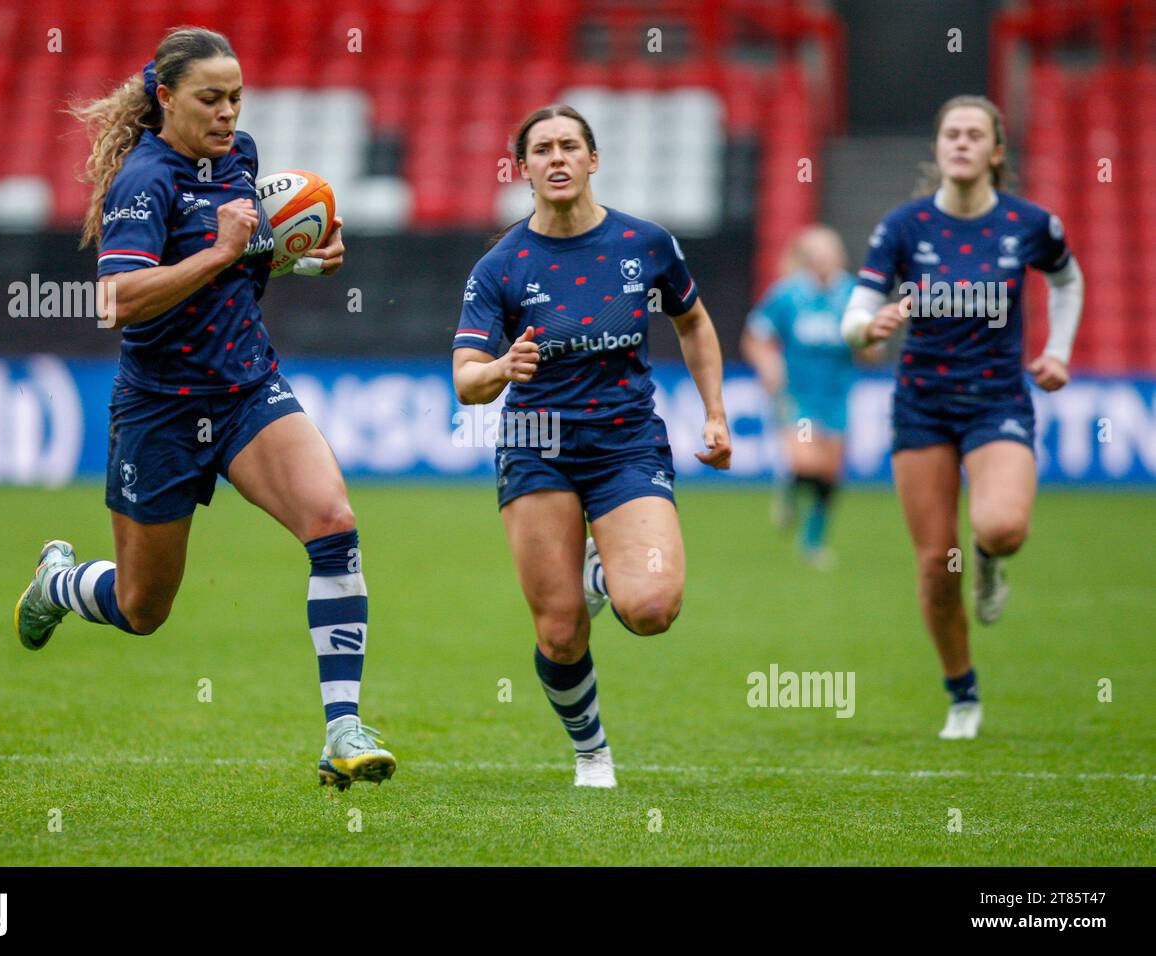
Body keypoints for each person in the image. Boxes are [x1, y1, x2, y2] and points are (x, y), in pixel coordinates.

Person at [12, 26, 395, 790]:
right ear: (165, 98)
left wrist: (298, 254)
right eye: (211, 99)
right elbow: (114, 302)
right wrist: (220, 252)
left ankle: (343, 727)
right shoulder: (142, 183)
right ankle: (58, 583)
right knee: (142, 607)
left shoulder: (241, 158)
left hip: (247, 389)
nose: (228, 114)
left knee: (334, 522)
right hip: (158, 409)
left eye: (236, 99)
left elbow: (244, 271)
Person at [451, 105, 732, 787]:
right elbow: (466, 381)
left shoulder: (646, 244)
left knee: (652, 608)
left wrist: (715, 414)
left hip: (626, 443)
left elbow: (693, 322)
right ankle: (592, 752)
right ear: (524, 169)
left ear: (592, 159)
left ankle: (600, 571)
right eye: (541, 149)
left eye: (569, 146)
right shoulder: (501, 265)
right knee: (559, 631)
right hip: (535, 446)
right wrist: (498, 370)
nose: (556, 158)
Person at [841, 95, 1084, 739]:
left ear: (996, 151)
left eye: (976, 134)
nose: (962, 143)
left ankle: (990, 560)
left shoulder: (1030, 224)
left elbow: (1067, 281)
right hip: (921, 404)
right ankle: (962, 693)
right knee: (933, 563)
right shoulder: (903, 227)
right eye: (952, 133)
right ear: (939, 145)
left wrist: (1057, 351)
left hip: (996, 400)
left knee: (1002, 527)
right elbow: (853, 322)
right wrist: (871, 325)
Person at [741, 225, 867, 568]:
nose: (825, 260)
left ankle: (812, 542)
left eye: (830, 253)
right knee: (805, 462)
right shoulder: (788, 295)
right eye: (818, 254)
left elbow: (872, 352)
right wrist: (768, 364)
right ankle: (790, 488)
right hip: (797, 395)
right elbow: (755, 336)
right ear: (808, 259)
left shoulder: (854, 295)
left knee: (829, 472)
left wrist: (867, 339)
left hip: (836, 395)